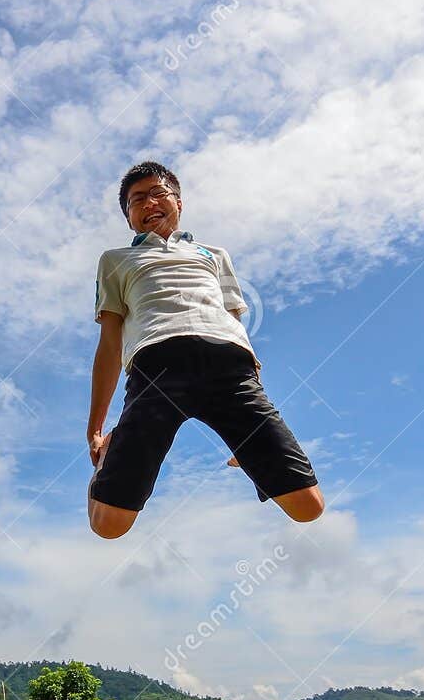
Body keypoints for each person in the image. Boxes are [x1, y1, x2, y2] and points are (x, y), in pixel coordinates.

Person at [87, 160, 324, 539]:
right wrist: (96, 428)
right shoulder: (116, 260)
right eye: (136, 200)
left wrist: (245, 439)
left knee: (308, 507)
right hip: (157, 367)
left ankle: (256, 458)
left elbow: (234, 323)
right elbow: (110, 341)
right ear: (129, 217)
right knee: (109, 526)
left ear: (178, 203)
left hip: (230, 368)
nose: (149, 203)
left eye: (158, 193)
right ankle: (108, 469)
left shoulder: (214, 254)